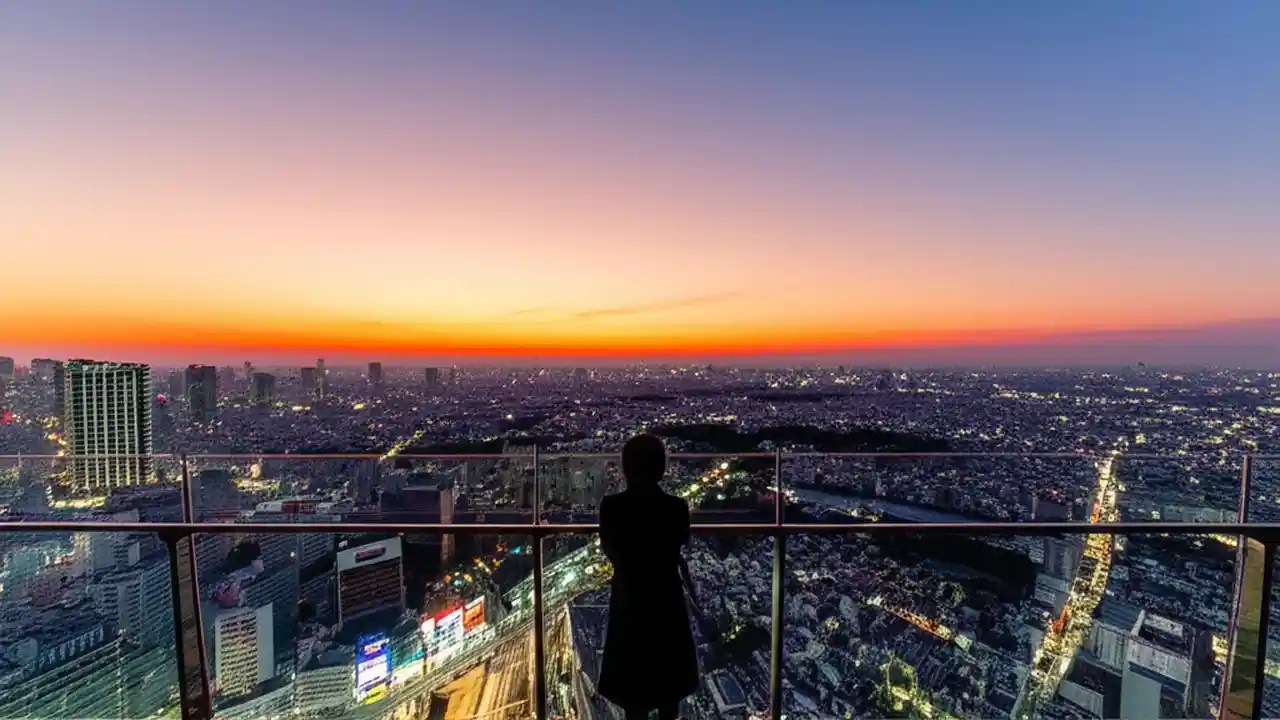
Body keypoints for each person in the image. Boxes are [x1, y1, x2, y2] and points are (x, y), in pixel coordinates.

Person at [597, 434, 699, 720]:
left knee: (633, 695)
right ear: (661, 468)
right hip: (666, 600)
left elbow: (611, 551)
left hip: (629, 599)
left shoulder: (611, 507)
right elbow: (680, 542)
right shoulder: (676, 507)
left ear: (626, 467)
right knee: (670, 690)